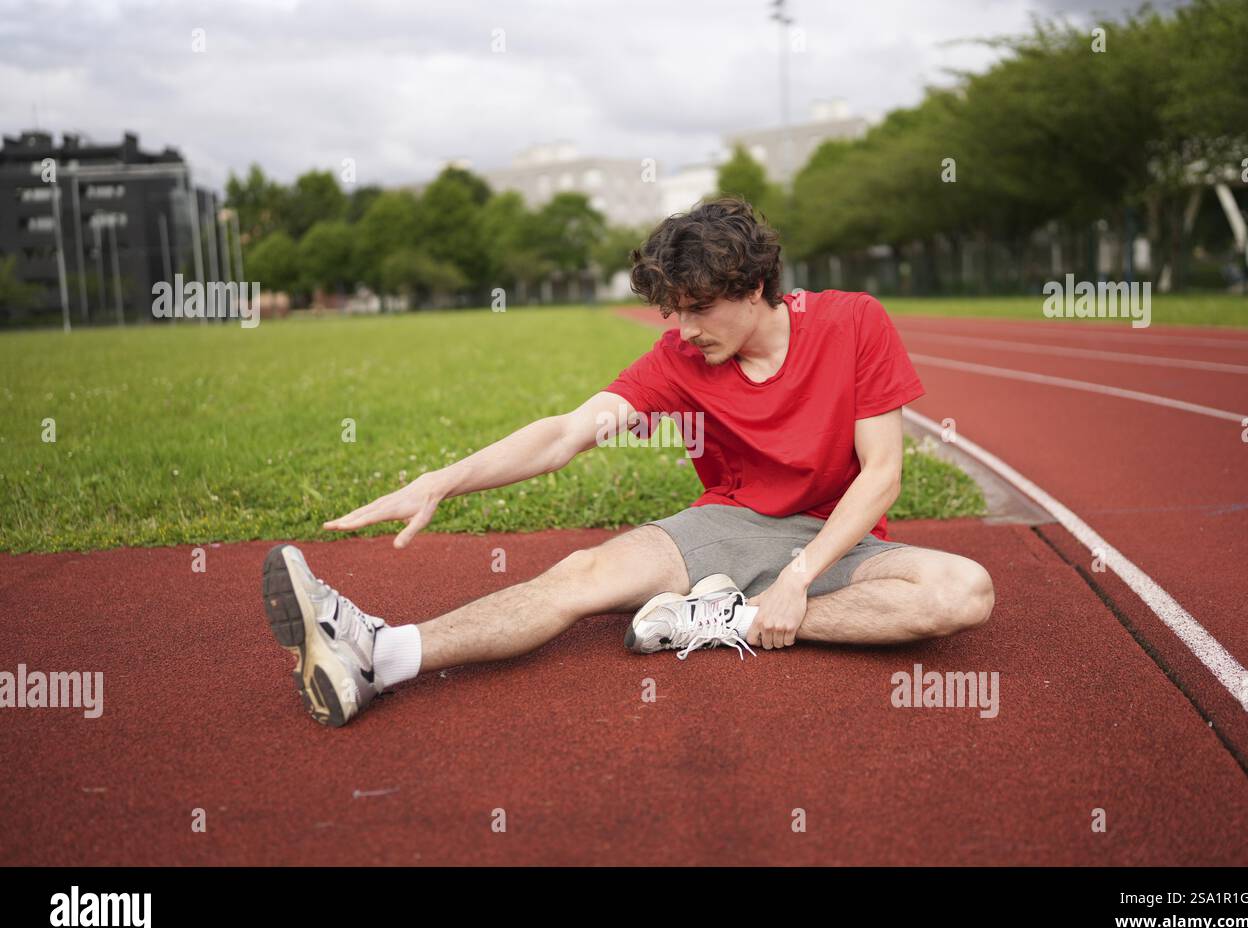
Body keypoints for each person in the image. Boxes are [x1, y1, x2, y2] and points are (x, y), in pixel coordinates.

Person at [261, 197, 994, 727]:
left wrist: (798, 582)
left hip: (840, 539)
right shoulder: (680, 358)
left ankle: (722, 618)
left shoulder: (853, 321)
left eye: (697, 309)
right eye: (671, 311)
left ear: (755, 287)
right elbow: (566, 433)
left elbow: (882, 475)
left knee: (962, 594)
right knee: (578, 578)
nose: (681, 330)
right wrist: (444, 479)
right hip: (731, 526)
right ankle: (378, 654)